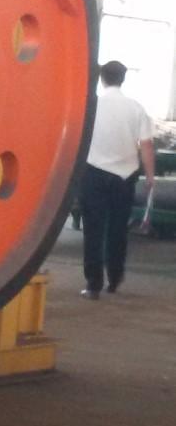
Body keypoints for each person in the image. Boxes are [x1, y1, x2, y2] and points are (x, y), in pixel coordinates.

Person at [78, 60, 159, 299]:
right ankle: (114, 279)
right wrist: (150, 176)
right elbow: (146, 145)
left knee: (93, 229)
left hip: (93, 172)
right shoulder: (136, 108)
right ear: (123, 79)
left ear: (102, 79)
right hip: (125, 176)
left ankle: (93, 284)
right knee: (117, 229)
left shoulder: (92, 106)